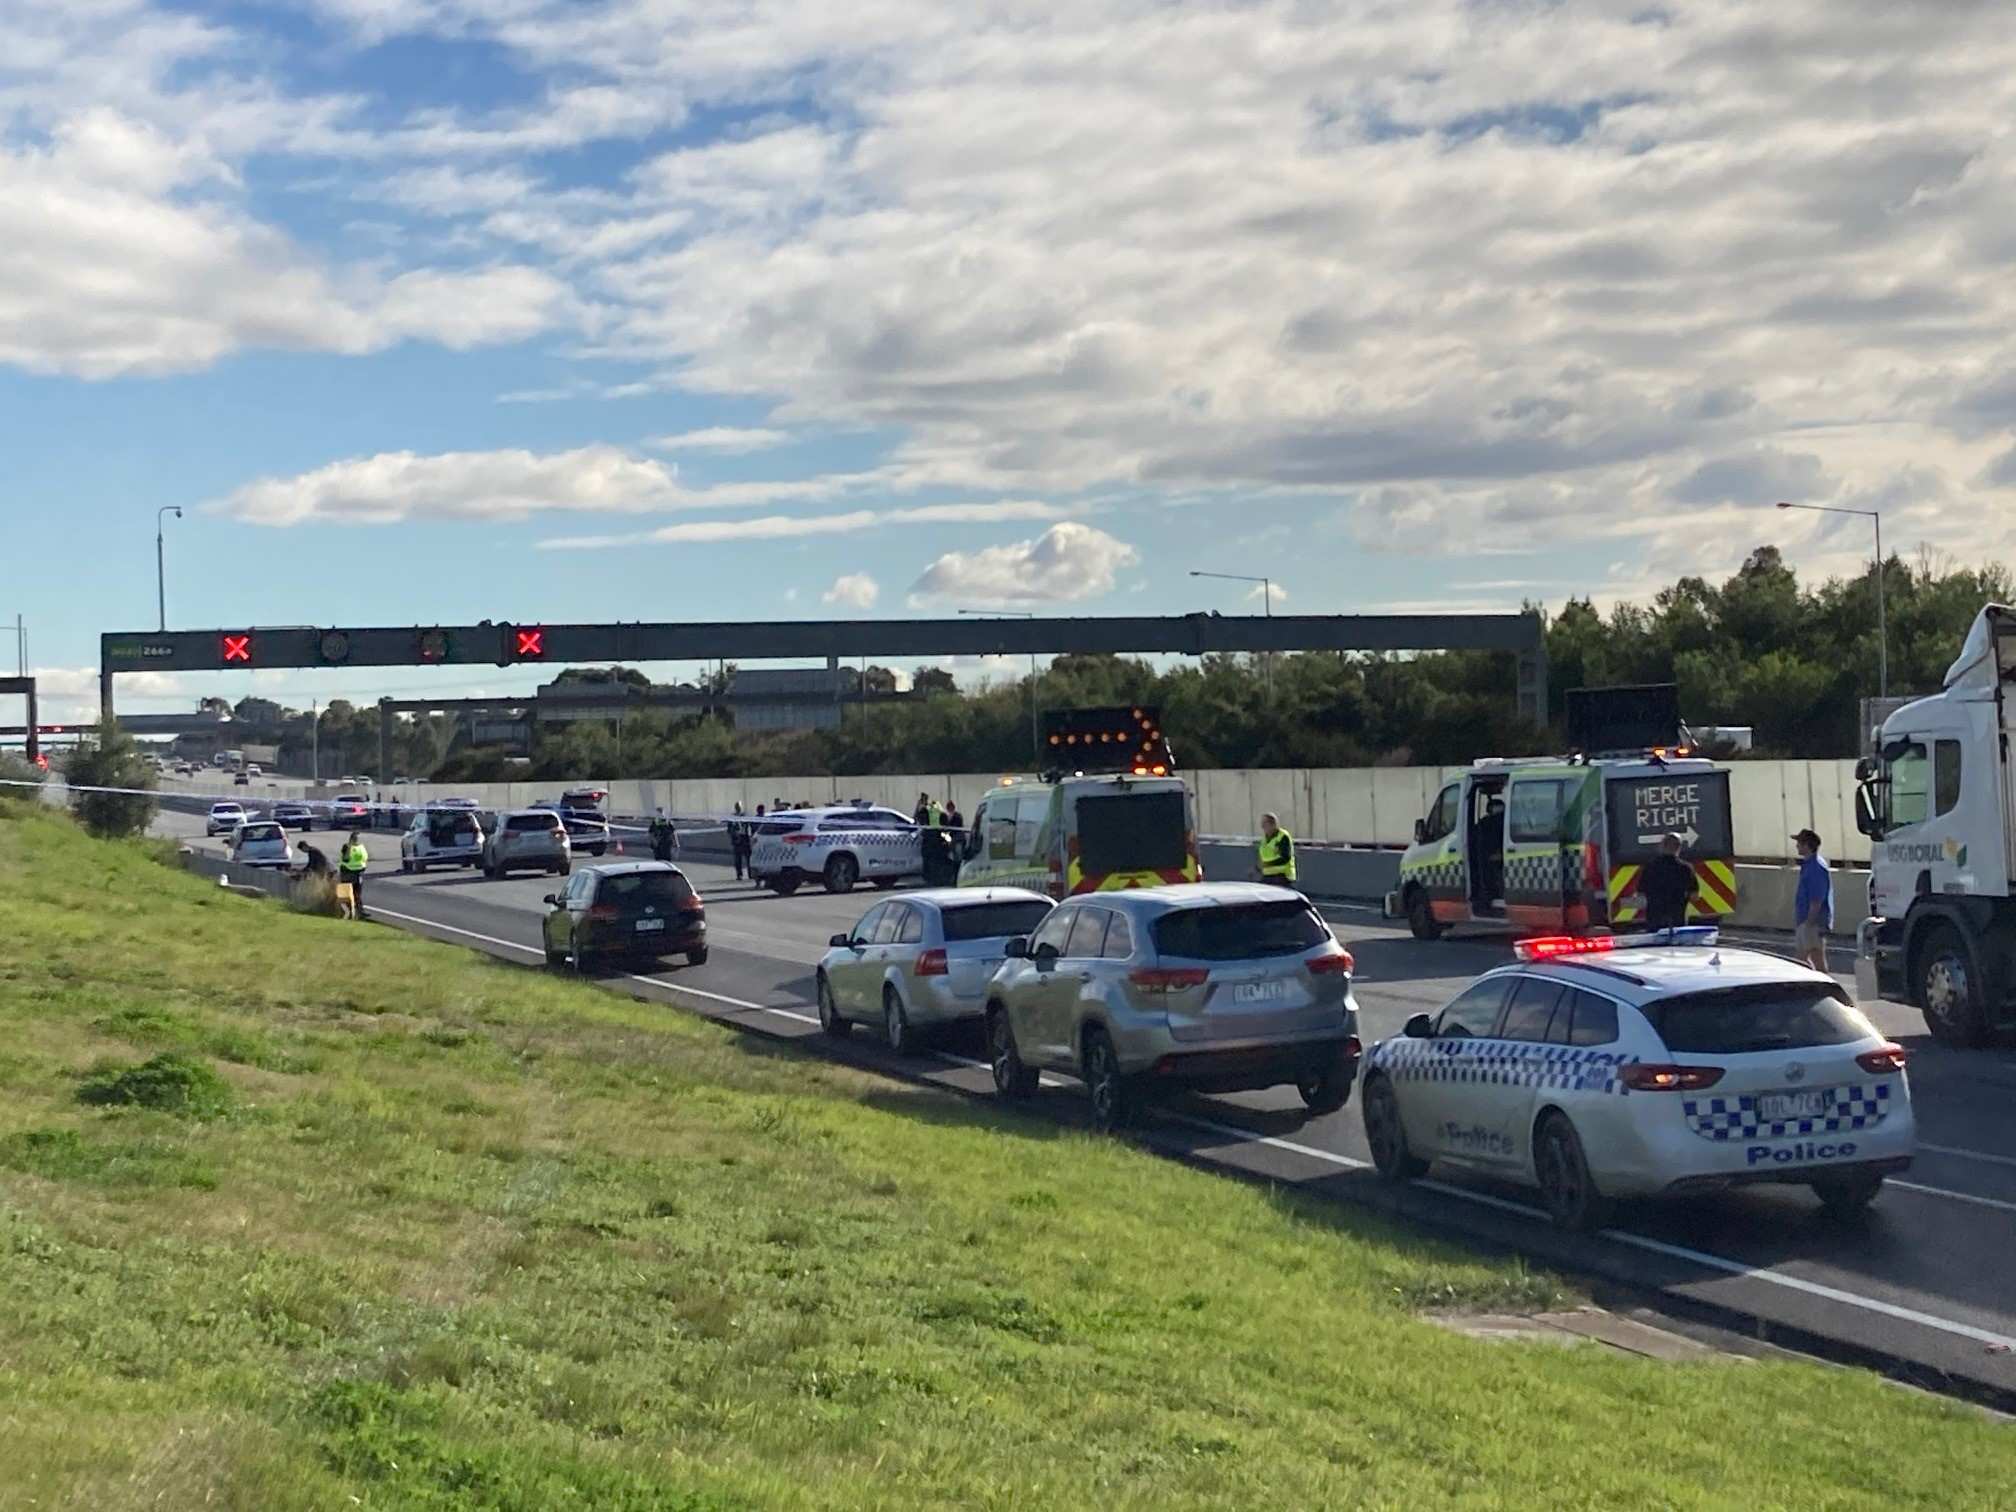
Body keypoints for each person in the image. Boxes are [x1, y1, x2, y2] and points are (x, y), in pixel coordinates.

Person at [1637, 831, 1699, 933]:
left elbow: (1640, 895)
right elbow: (1694, 896)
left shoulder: (1650, 867)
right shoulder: (1686, 869)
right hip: (1677, 919)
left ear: (1662, 846)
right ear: (1678, 848)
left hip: (1655, 919)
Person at [1792, 828, 1833, 971]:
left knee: (1804, 961)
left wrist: (1809, 922)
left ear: (1807, 845)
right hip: (1807, 921)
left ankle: (1820, 987)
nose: (1796, 846)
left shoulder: (1815, 867)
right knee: (1811, 959)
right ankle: (1823, 986)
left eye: (1799, 843)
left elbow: (1817, 898)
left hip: (1811, 922)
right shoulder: (1810, 865)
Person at [1254, 812, 1297, 888]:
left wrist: (1267, 864)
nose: (1262, 826)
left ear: (1273, 824)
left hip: (1282, 876)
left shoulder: (1282, 836)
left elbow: (1285, 858)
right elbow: (1263, 858)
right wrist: (1257, 868)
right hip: (1268, 876)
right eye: (1262, 823)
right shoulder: (1264, 840)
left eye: (1265, 823)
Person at [339, 829, 370, 920]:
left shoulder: (361, 847)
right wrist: (349, 847)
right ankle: (346, 912)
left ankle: (360, 912)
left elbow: (364, 859)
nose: (357, 840)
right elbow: (345, 859)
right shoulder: (346, 847)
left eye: (358, 838)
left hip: (358, 873)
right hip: (347, 872)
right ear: (351, 839)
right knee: (347, 894)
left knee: (357, 894)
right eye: (355, 838)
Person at [729, 801, 752, 880]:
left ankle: (750, 873)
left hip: (745, 840)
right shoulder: (732, 818)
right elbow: (729, 829)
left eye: (739, 806)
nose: (738, 808)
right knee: (738, 859)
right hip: (736, 841)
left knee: (748, 858)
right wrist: (734, 833)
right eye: (737, 806)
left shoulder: (745, 816)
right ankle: (739, 874)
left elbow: (749, 827)